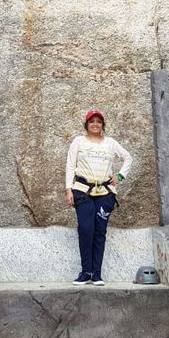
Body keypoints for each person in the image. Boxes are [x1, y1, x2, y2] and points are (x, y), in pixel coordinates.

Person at [65, 109, 133, 286]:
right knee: (85, 229)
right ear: (86, 125)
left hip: (105, 192)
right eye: (92, 121)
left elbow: (128, 158)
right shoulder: (78, 141)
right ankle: (85, 272)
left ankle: (96, 274)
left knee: (99, 231)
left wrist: (120, 176)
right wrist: (68, 189)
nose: (95, 124)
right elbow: (70, 165)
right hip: (83, 190)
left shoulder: (111, 143)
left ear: (103, 125)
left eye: (99, 122)